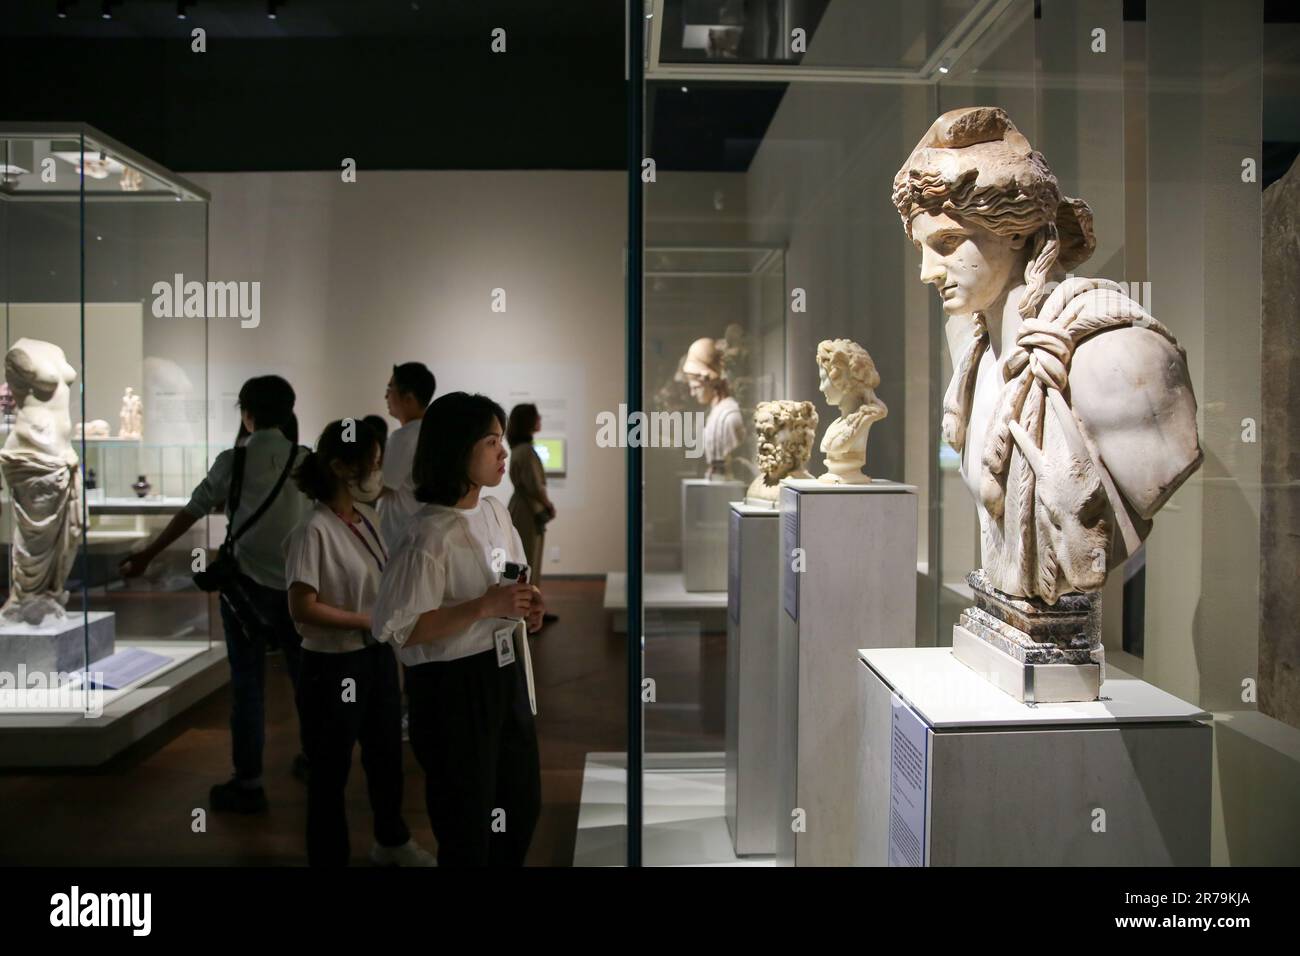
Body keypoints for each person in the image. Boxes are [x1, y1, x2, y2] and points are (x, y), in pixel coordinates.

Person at [120, 375, 312, 814]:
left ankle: (249, 783)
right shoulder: (305, 461)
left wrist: (148, 554)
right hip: (298, 590)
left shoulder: (233, 461)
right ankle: (315, 760)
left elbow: (192, 510)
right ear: (288, 412)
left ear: (246, 413)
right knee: (307, 681)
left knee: (247, 687)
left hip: (242, 590)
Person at [371, 392, 545, 866]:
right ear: (456, 449)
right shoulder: (427, 535)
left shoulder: (493, 512)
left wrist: (526, 604)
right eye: (491, 443)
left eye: (501, 441)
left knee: (522, 805)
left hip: (504, 675)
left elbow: (514, 578)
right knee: (467, 825)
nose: (503, 453)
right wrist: (482, 606)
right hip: (453, 691)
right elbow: (398, 629)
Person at [285, 418, 433, 866]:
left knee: (386, 756)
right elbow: (302, 607)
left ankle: (391, 840)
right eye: (371, 464)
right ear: (340, 467)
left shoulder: (365, 520)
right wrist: (365, 620)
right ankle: (328, 857)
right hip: (332, 667)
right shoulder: (313, 531)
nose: (377, 474)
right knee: (329, 772)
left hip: (374, 659)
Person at [506, 404, 558, 624]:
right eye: (536, 416)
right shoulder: (526, 451)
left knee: (528, 560)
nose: (540, 419)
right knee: (527, 561)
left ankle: (531, 610)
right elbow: (535, 486)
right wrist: (548, 504)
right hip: (527, 510)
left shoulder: (521, 449)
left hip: (524, 508)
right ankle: (527, 613)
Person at [379, 362, 435, 550]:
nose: (386, 396)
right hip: (419, 530)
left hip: (398, 533)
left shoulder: (403, 437)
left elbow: (382, 486)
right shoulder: (430, 432)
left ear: (408, 398)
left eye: (390, 388)